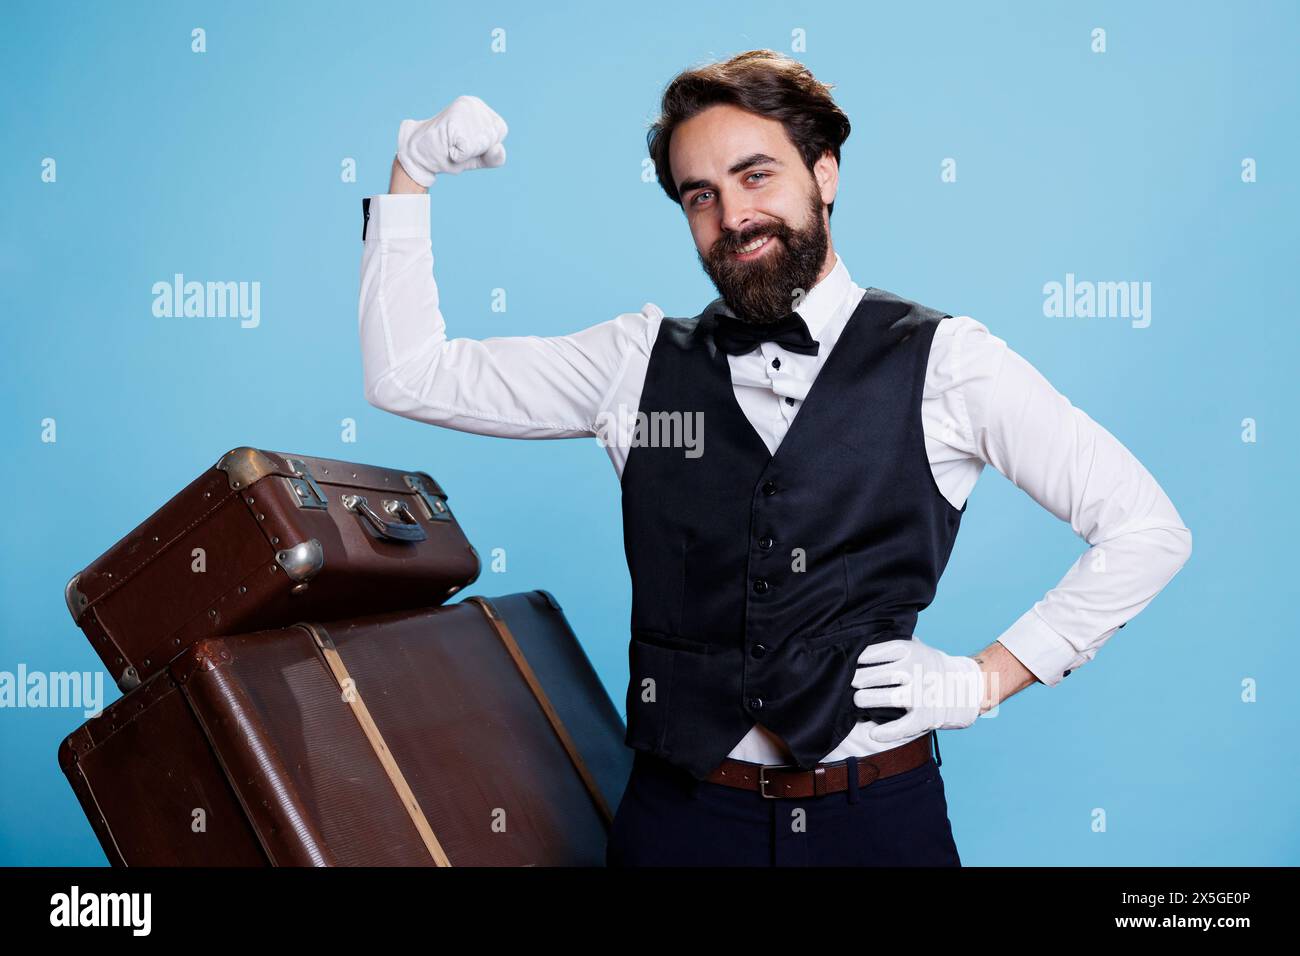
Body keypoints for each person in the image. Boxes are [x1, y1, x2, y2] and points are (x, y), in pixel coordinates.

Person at [357, 50, 1192, 867]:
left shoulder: (949, 363)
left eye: (757, 176)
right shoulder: (633, 363)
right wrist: (410, 173)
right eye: (701, 196)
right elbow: (408, 375)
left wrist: (987, 679)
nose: (733, 216)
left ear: (824, 173)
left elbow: (1146, 530)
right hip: (678, 820)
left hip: (878, 819)